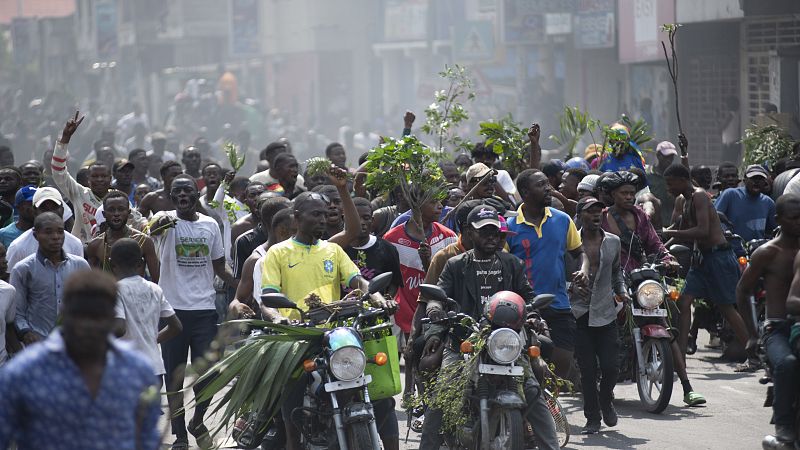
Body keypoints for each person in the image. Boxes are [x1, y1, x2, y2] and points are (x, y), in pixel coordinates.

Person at [419, 205, 559, 450]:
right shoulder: (455, 264)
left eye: (495, 232)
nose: (491, 237)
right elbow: (437, 295)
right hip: (464, 340)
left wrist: (533, 314)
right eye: (484, 232)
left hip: (507, 342)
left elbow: (528, 296)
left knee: (533, 391)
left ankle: (551, 447)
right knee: (444, 393)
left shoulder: (511, 263)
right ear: (470, 233)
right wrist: (434, 309)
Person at [260, 188, 391, 450]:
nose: (323, 219)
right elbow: (268, 297)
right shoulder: (278, 252)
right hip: (297, 338)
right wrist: (280, 318)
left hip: (337, 336)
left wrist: (376, 298)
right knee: (293, 397)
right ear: (297, 218)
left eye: (325, 214)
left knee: (382, 396)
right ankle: (292, 441)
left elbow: (357, 281)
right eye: (316, 214)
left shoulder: (333, 250)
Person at [0, 269, 161, 450]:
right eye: (80, 315)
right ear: (63, 312)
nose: (88, 325)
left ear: (112, 316)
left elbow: (147, 439)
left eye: (98, 316)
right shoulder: (24, 373)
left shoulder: (137, 371)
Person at [150, 174, 236, 450]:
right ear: (171, 196)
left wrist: (240, 283)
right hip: (172, 311)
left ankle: (197, 421)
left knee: (210, 372)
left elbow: (220, 265)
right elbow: (153, 228)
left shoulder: (211, 225)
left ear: (196, 194)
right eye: (177, 192)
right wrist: (159, 223)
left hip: (204, 309)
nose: (183, 195)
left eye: (188, 190)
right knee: (175, 376)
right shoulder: (165, 219)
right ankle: (180, 436)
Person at [662, 164, 751, 364]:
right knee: (684, 302)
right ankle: (680, 359)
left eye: (670, 183)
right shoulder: (684, 201)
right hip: (701, 260)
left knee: (726, 307)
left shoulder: (700, 196)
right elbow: (678, 231)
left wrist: (671, 233)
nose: (668, 188)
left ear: (682, 180)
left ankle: (754, 355)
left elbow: (702, 231)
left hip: (718, 258)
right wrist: (661, 249)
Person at [506, 169, 589, 378]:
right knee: (529, 364)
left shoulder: (562, 220)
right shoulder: (510, 227)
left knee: (563, 362)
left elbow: (580, 252)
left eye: (547, 184)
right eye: (541, 185)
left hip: (558, 302)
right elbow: (503, 266)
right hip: (523, 307)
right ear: (525, 192)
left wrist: (583, 269)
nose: (548, 189)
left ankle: (550, 403)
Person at [736, 195, 800, 442]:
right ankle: (783, 425)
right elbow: (743, 291)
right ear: (779, 220)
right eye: (793, 218)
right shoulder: (767, 253)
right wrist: (752, 334)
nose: (798, 223)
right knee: (787, 364)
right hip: (778, 329)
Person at [571, 197, 627, 434]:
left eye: (599, 211)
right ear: (580, 216)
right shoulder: (570, 244)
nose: (595, 215)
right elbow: (560, 276)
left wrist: (622, 292)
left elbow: (617, 273)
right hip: (579, 312)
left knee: (612, 366)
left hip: (605, 312)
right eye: (590, 211)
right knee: (587, 370)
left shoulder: (613, 242)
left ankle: (606, 401)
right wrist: (570, 287)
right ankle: (592, 418)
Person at [383, 190, 457, 341]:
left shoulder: (449, 237)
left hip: (435, 312)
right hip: (401, 315)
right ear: (416, 205)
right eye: (433, 202)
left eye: (440, 201)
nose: (440, 206)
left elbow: (448, 281)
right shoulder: (391, 239)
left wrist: (427, 261)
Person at [110, 238, 182, 383]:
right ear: (140, 263)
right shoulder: (155, 289)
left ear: (112, 264)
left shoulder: (115, 290)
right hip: (154, 368)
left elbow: (118, 329)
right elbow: (176, 327)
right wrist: (151, 339)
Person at [11, 212, 90, 344]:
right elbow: (17, 312)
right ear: (36, 235)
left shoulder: (80, 265)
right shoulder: (23, 269)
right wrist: (26, 332)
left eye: (60, 232)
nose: (55, 237)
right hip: (39, 345)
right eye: (48, 232)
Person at [51, 111, 111, 242]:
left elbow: (138, 221)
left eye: (103, 176)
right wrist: (65, 137)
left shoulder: (118, 199)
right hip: (81, 253)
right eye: (95, 176)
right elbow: (58, 172)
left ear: (110, 179)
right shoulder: (79, 193)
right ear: (88, 180)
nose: (99, 180)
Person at [85, 190, 160, 281]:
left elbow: (156, 280)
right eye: (111, 210)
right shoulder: (95, 245)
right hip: (110, 294)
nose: (116, 214)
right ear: (104, 214)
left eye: (121, 209)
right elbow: (93, 283)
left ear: (128, 213)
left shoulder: (144, 241)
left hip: (137, 294)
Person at [6, 187, 84, 269]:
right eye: (44, 208)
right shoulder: (18, 247)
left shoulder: (75, 244)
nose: (50, 212)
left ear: (62, 210)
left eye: (54, 207)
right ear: (34, 211)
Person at [715, 164, 777, 242]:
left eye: (760, 179)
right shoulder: (730, 194)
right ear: (744, 180)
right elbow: (714, 216)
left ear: (765, 182)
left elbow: (775, 228)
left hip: (756, 250)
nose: (756, 181)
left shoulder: (768, 202)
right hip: (731, 249)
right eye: (753, 178)